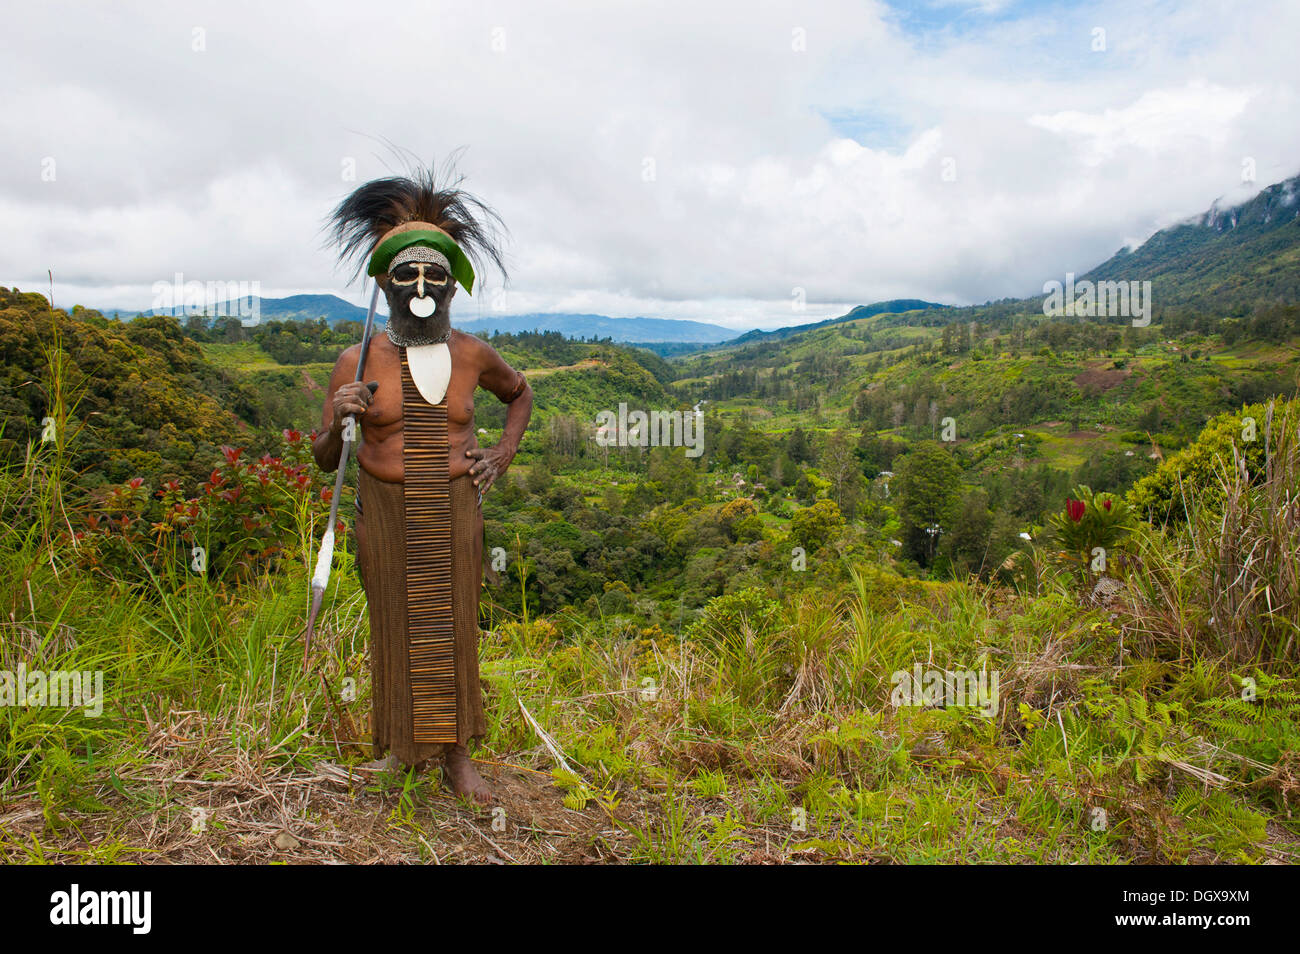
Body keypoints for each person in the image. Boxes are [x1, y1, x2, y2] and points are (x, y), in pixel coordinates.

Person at [312, 162, 532, 804]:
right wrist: (340, 418)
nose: (421, 286)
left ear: (452, 286)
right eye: (405, 274)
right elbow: (327, 458)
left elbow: (519, 394)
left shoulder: (470, 353)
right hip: (382, 507)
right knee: (397, 622)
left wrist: (503, 453)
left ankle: (457, 756)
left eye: (435, 274)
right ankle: (403, 751)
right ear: (384, 283)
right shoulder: (355, 360)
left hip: (455, 503)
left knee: (452, 622)